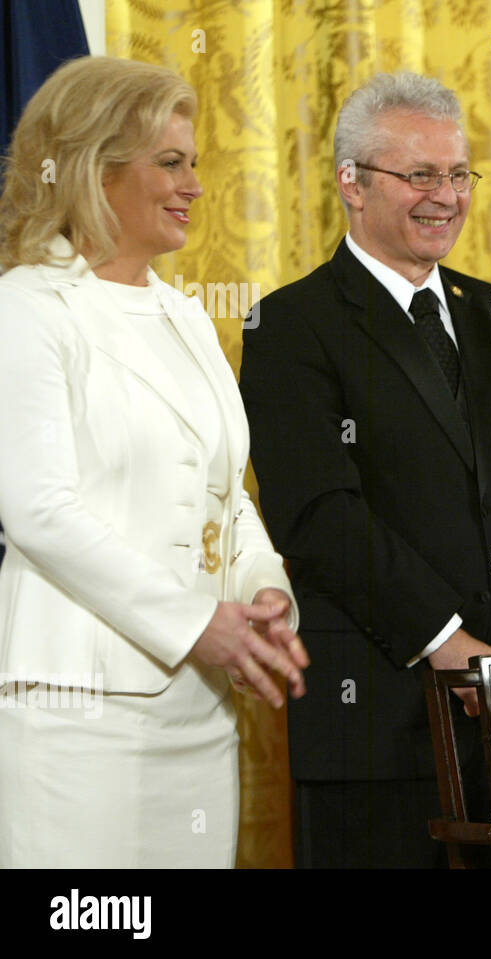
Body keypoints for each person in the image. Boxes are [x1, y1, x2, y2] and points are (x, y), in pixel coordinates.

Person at [239, 72, 491, 868]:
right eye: (420, 175)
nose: (447, 196)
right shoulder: (291, 325)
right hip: (375, 722)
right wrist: (451, 642)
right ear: (351, 184)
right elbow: (318, 512)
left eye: (459, 173)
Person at [0, 56, 307, 868]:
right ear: (93, 172)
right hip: (76, 716)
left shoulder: (184, 315)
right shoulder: (26, 307)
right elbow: (37, 508)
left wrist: (261, 588)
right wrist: (195, 622)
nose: (194, 185)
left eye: (194, 162)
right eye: (170, 163)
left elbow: (226, 493)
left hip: (197, 714)